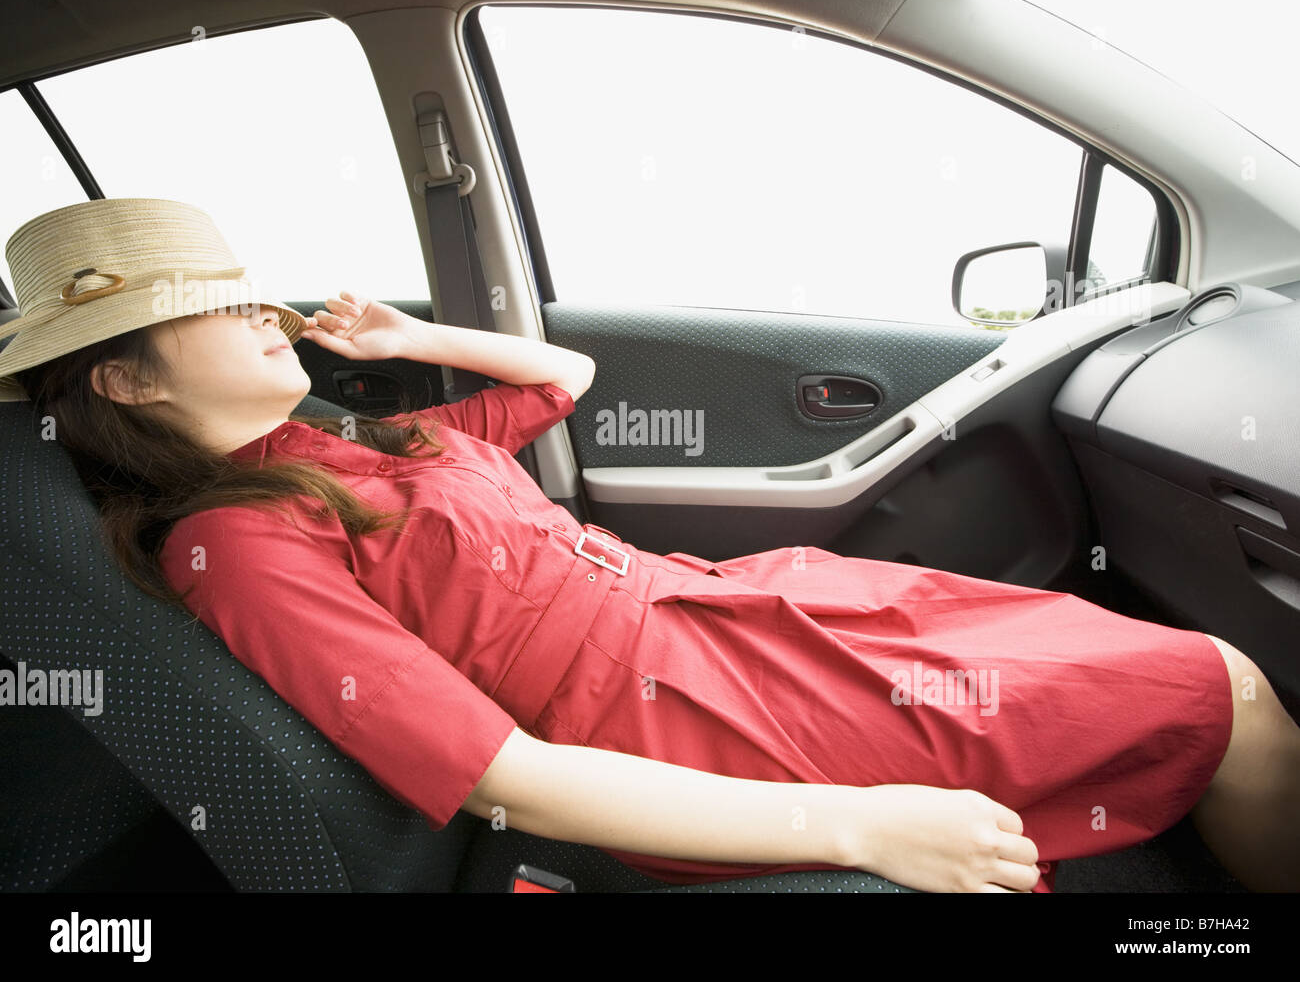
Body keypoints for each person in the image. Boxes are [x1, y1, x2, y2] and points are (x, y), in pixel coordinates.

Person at [3, 197, 1296, 894]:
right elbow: (506, 774)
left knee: (1122, 651)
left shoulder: (345, 444)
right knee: (1221, 688)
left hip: (727, 612)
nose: (263, 310)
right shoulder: (237, 544)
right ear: (122, 382)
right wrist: (861, 830)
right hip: (677, 721)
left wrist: (406, 344)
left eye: (246, 284)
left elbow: (559, 376)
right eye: (216, 309)